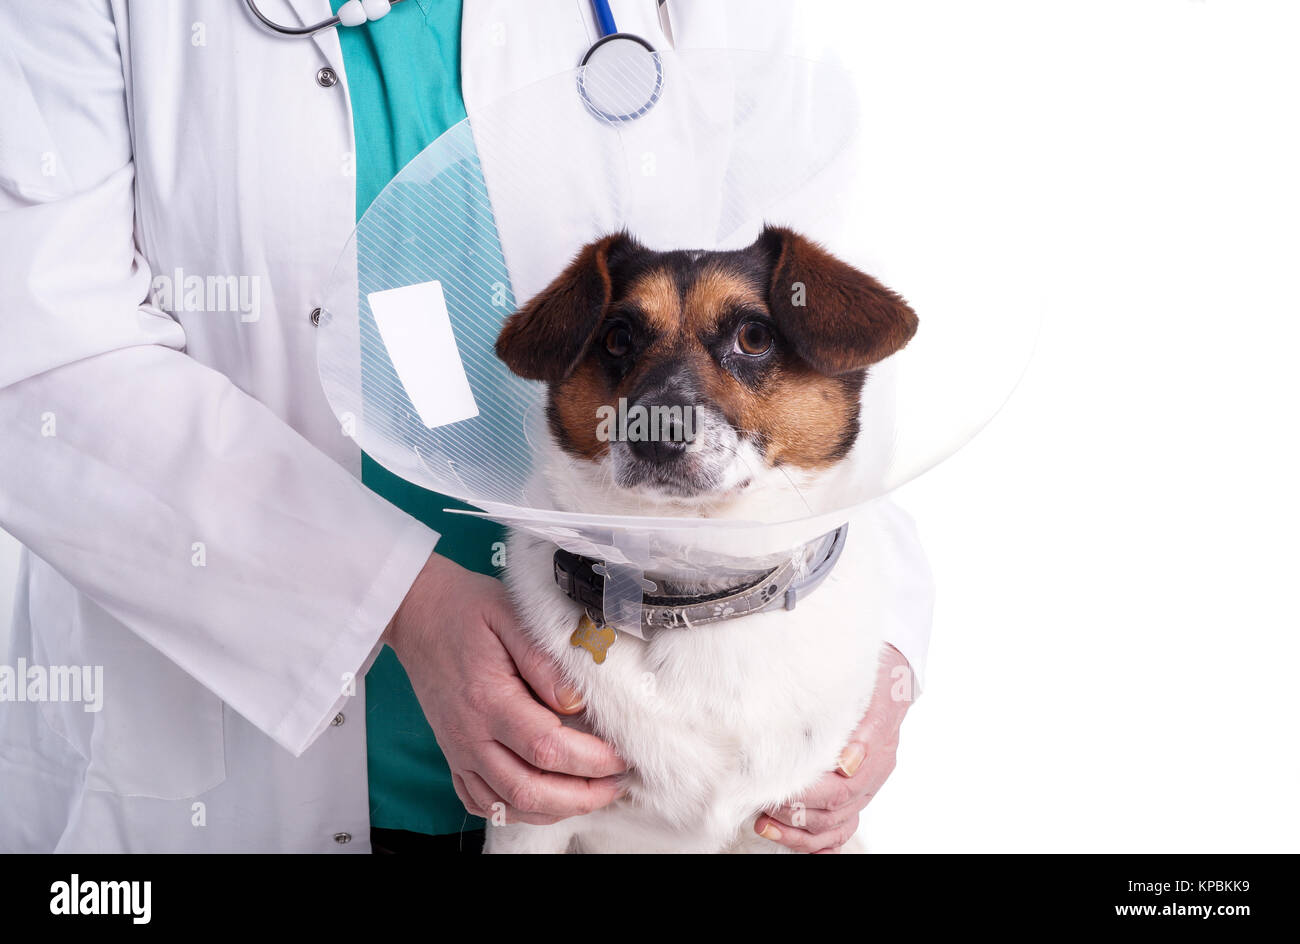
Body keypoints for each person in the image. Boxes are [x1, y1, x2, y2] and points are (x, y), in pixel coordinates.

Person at [0, 0, 933, 854]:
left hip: (653, 785)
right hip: (245, 763)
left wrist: (865, 661)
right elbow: (40, 359)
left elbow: (837, 354)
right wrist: (390, 600)